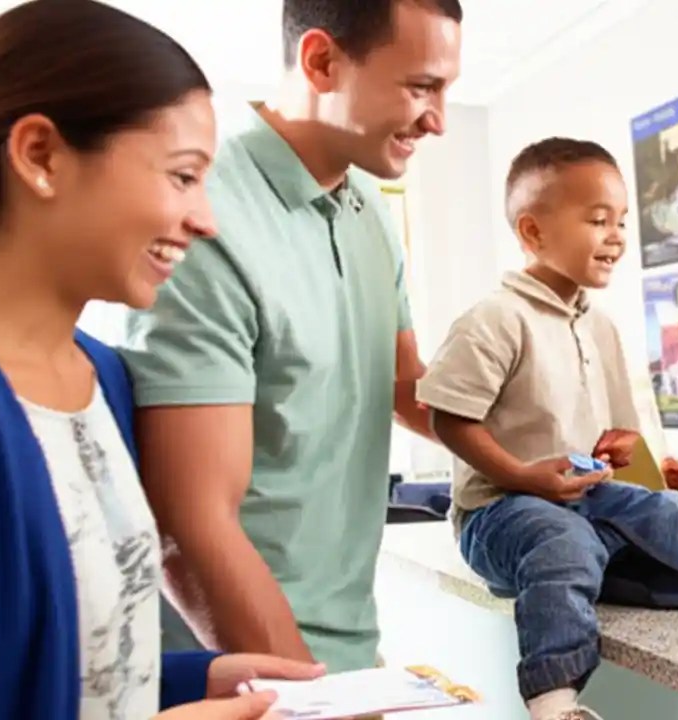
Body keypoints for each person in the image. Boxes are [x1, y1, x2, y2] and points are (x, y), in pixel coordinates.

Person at [0, 2, 325, 718]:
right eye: (182, 176)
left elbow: (49, 664)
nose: (206, 220)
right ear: (40, 156)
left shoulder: (106, 380)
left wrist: (196, 680)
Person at [118, 0, 462, 671]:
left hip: (347, 649)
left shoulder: (370, 214)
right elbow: (187, 524)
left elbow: (405, 386)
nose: (439, 120)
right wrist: (313, 697)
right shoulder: (202, 215)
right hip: (232, 668)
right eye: (421, 87)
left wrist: (544, 447)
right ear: (322, 62)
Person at [416, 138, 678, 720]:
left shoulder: (602, 327)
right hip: (500, 511)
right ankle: (554, 700)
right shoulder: (495, 318)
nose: (616, 236)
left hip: (582, 501)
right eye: (598, 220)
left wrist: (647, 467)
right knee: (561, 540)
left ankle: (584, 566)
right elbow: (449, 417)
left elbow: (619, 439)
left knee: (671, 512)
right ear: (533, 232)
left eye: (621, 221)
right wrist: (522, 476)